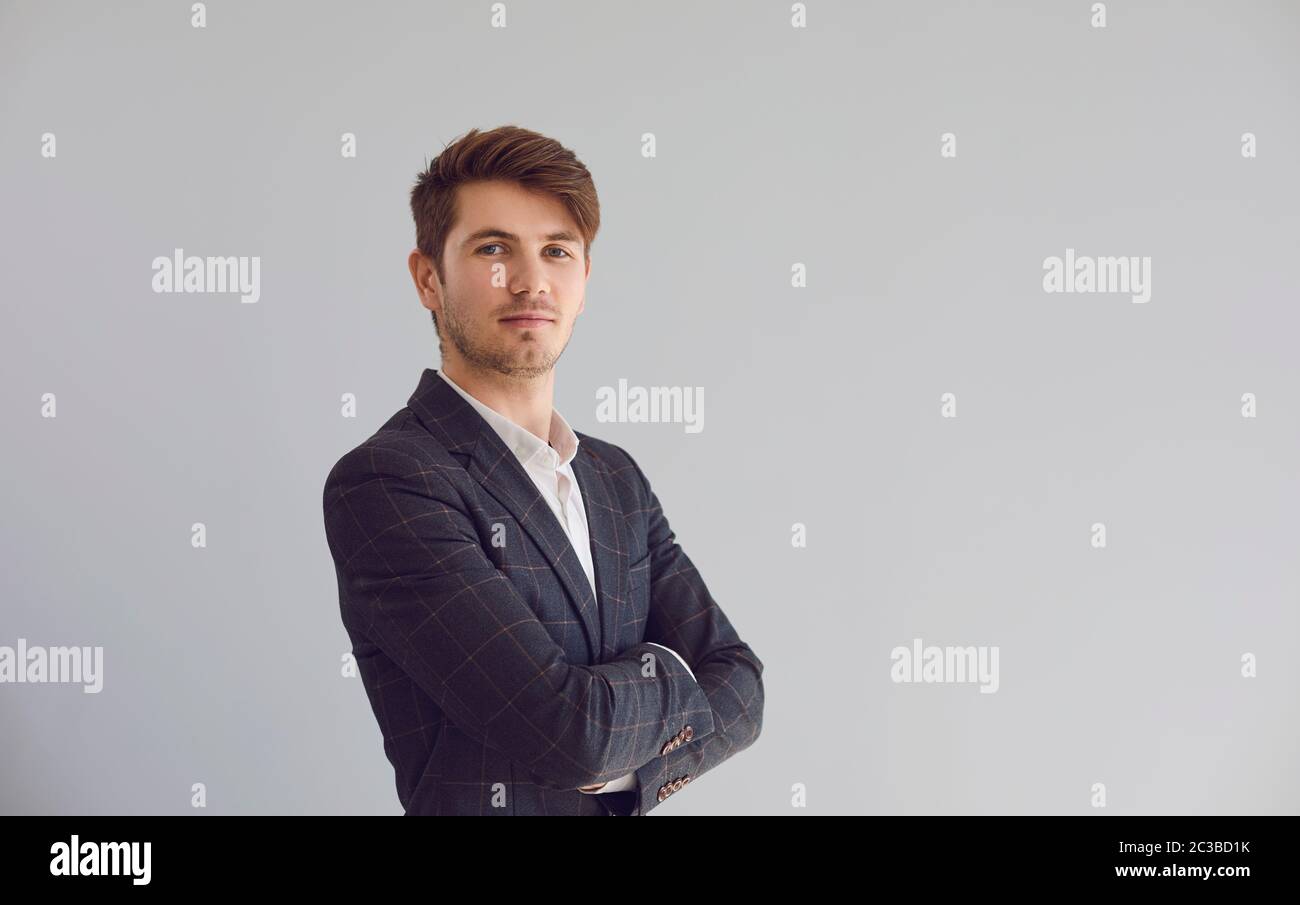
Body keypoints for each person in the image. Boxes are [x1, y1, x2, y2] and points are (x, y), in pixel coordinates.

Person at [322, 125, 764, 815]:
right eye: (493, 248)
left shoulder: (615, 479)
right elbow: (572, 734)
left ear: (584, 281)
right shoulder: (389, 481)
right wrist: (678, 676)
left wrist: (628, 768)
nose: (529, 281)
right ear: (428, 278)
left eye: (557, 251)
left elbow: (741, 686)